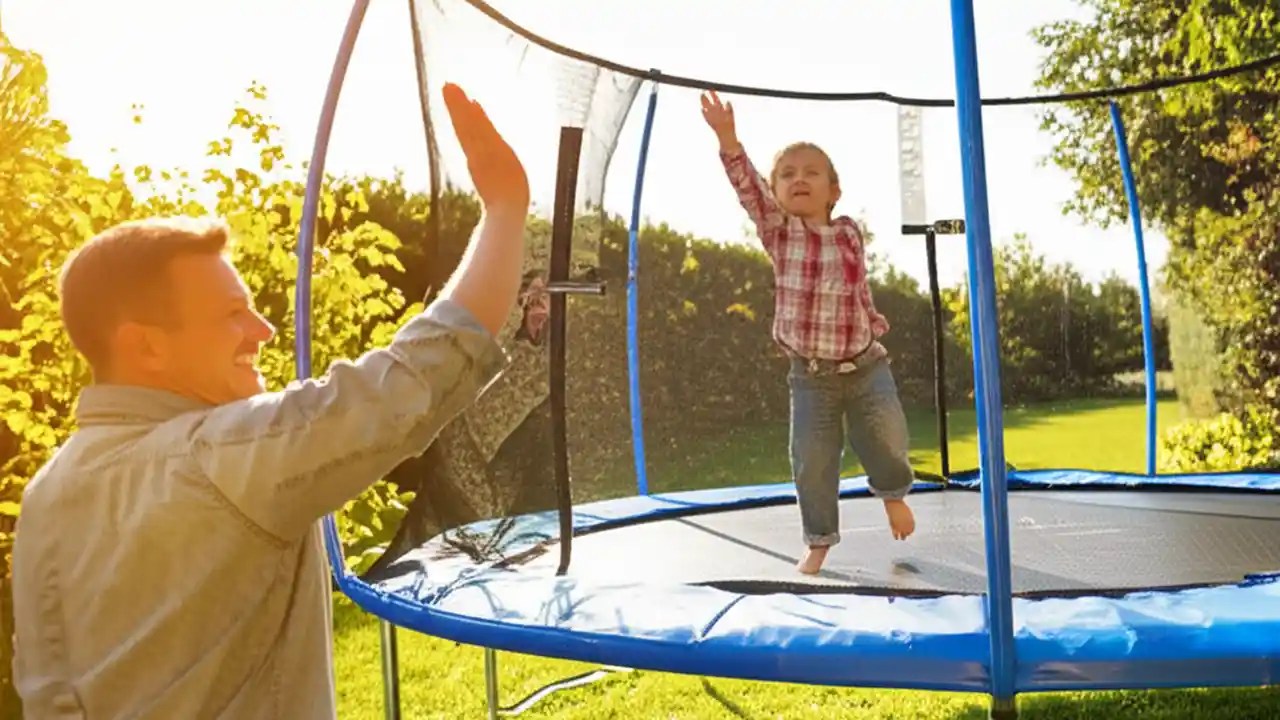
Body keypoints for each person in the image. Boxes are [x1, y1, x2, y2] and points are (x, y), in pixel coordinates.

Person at [10, 82, 529, 719]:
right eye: (233, 314)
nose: (263, 332)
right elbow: (417, 376)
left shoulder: (46, 495)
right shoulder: (222, 459)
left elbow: (46, 688)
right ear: (145, 348)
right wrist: (505, 212)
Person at [699, 89, 916, 576]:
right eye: (788, 174)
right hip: (811, 377)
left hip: (865, 365)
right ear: (775, 192)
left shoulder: (848, 232)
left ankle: (894, 494)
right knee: (812, 461)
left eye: (811, 173)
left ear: (833, 191)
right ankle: (818, 540)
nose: (799, 179)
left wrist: (874, 326)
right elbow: (749, 190)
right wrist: (729, 138)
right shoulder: (778, 230)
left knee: (886, 438)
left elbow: (857, 291)